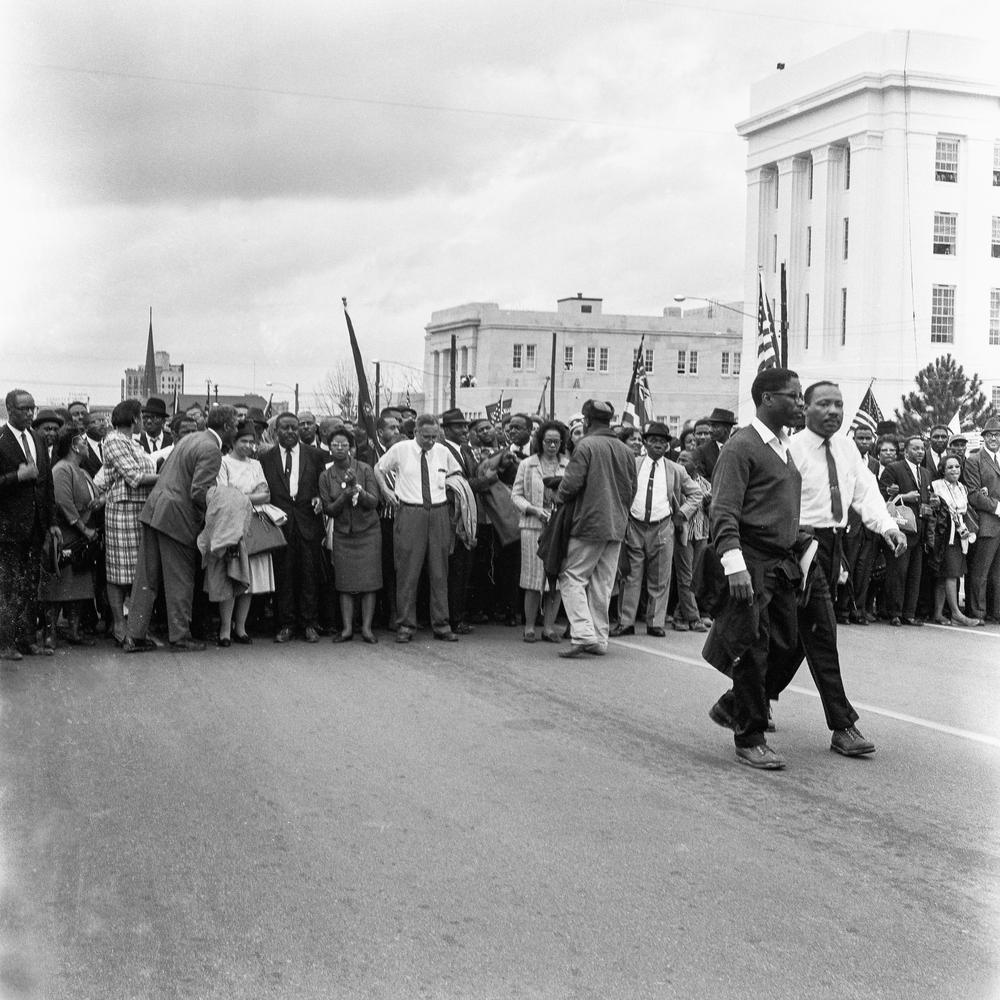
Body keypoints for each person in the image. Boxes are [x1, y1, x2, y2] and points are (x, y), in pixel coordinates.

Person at [772, 380, 907, 757]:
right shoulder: (790, 450)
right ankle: (843, 725)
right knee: (823, 631)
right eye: (824, 404)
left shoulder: (848, 449)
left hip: (834, 545)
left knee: (802, 635)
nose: (833, 411)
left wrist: (889, 527)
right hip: (799, 545)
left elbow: (866, 493)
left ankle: (747, 698)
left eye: (839, 405)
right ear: (805, 408)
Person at [702, 369, 804, 770]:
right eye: (792, 396)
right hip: (750, 561)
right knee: (752, 649)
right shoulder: (740, 446)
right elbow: (723, 510)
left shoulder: (782, 445)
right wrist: (735, 565)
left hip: (781, 563)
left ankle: (735, 704)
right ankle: (750, 736)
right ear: (765, 399)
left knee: (790, 643)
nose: (800, 403)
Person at [125, 405, 237, 652]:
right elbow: (199, 492)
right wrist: (219, 514)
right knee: (180, 579)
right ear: (227, 427)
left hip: (156, 510)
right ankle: (180, 636)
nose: (237, 429)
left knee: (146, 577)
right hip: (176, 518)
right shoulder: (211, 449)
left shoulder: (192, 439)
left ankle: (134, 635)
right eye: (236, 425)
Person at [555, 399, 637, 658]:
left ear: (587, 421)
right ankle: (599, 638)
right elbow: (631, 489)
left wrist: (558, 495)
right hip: (617, 524)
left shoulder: (586, 445)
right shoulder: (625, 450)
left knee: (571, 577)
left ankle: (582, 634)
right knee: (602, 583)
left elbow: (569, 486)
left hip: (589, 523)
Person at [374, 414, 464, 643]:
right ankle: (405, 625)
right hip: (410, 512)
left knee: (439, 570)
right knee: (407, 571)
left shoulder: (443, 452)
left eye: (434, 437)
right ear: (416, 432)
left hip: (438, 512)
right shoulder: (401, 449)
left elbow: (456, 474)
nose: (430, 442)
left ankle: (442, 625)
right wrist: (386, 491)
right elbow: (378, 469)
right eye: (426, 437)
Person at [611, 422, 703, 638]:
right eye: (653, 441)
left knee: (660, 578)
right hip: (634, 524)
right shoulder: (633, 464)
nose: (658, 445)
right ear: (645, 443)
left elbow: (696, 494)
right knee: (631, 576)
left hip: (662, 526)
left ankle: (655, 622)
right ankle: (625, 622)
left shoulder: (676, 470)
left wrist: (681, 515)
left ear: (668, 446)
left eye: (662, 442)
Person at [0, 388, 60, 660]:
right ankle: (6, 643)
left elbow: (46, 484)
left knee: (30, 584)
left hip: (35, 526)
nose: (29, 413)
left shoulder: (36, 438)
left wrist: (52, 523)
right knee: (9, 586)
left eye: (32, 408)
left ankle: (26, 639)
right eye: (24, 408)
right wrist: (17, 476)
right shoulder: (1, 440)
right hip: (9, 528)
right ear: (9, 409)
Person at [260, 412, 326, 643]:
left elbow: (323, 486)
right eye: (285, 428)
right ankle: (286, 624)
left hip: (308, 522)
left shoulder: (316, 455)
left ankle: (309, 624)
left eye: (294, 428)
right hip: (280, 524)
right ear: (276, 431)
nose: (290, 432)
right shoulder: (266, 458)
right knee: (284, 574)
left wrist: (319, 497)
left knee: (309, 574)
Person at [209, 421, 274, 646]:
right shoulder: (223, 463)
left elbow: (265, 494)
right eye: (243, 441)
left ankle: (241, 627)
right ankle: (225, 629)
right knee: (232, 576)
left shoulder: (256, 464)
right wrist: (249, 495)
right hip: (231, 523)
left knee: (249, 579)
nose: (248, 446)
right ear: (233, 442)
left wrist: (242, 495)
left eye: (251, 442)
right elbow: (225, 495)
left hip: (253, 523)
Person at [39, 426, 103, 647]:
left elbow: (94, 494)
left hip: (81, 538)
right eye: (84, 442)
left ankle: (74, 631)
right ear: (75, 446)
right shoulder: (62, 469)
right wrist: (84, 529)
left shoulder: (82, 471)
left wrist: (96, 502)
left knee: (78, 586)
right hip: (66, 537)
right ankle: (50, 635)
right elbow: (63, 503)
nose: (87, 446)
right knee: (56, 588)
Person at [101, 400, 159, 645]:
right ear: (134, 418)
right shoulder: (114, 440)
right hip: (122, 511)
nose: (143, 421)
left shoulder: (132, 442)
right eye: (141, 417)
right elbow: (134, 477)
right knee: (118, 572)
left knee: (137, 572)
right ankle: (119, 624)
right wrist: (167, 477)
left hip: (139, 511)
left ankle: (135, 628)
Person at [320, 428, 382, 644]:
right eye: (335, 445)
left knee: (369, 582)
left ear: (351, 448)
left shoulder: (365, 469)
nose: (339, 448)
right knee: (344, 583)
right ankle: (347, 629)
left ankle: (366, 629)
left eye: (344, 445)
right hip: (343, 534)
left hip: (368, 532)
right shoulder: (326, 475)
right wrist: (344, 496)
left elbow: (374, 502)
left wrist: (359, 490)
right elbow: (329, 509)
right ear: (329, 447)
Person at [511, 419, 570, 643]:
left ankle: (549, 627)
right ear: (540, 441)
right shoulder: (528, 464)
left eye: (556, 442)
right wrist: (534, 510)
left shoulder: (568, 465)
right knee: (533, 579)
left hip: (559, 528)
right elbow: (515, 495)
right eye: (548, 441)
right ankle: (529, 626)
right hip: (533, 527)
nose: (552, 446)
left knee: (556, 578)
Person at [439, 408, 495, 635]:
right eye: (458, 426)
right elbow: (456, 485)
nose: (463, 430)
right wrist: (485, 481)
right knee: (455, 569)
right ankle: (453, 618)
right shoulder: (442, 450)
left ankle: (459, 615)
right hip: (453, 516)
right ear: (446, 429)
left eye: (464, 426)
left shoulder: (464, 450)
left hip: (468, 515)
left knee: (465, 569)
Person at [879, 434, 936, 626]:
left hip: (919, 529)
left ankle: (909, 613)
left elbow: (926, 498)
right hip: (900, 528)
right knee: (898, 572)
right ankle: (894, 612)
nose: (920, 452)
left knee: (914, 574)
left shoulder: (926, 473)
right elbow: (882, 497)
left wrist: (931, 502)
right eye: (915, 448)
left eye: (922, 448)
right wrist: (905, 496)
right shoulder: (893, 468)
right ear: (906, 451)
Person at [929, 456, 981, 626]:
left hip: (959, 535)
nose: (954, 470)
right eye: (950, 467)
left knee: (947, 574)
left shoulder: (963, 488)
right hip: (943, 535)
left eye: (957, 466)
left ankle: (938, 613)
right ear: (942, 469)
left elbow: (965, 510)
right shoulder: (936, 485)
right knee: (950, 573)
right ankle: (956, 613)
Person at [962, 416, 1000, 623]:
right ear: (984, 437)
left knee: (998, 574)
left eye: (997, 434)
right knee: (981, 572)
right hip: (986, 523)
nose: (994, 438)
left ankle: (997, 612)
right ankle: (977, 612)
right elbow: (973, 494)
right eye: (990, 434)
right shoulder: (974, 460)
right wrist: (997, 506)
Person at [692, 407, 737, 481]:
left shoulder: (738, 448)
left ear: (727, 429)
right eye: (710, 426)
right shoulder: (702, 451)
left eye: (715, 426)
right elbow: (701, 480)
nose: (710, 430)